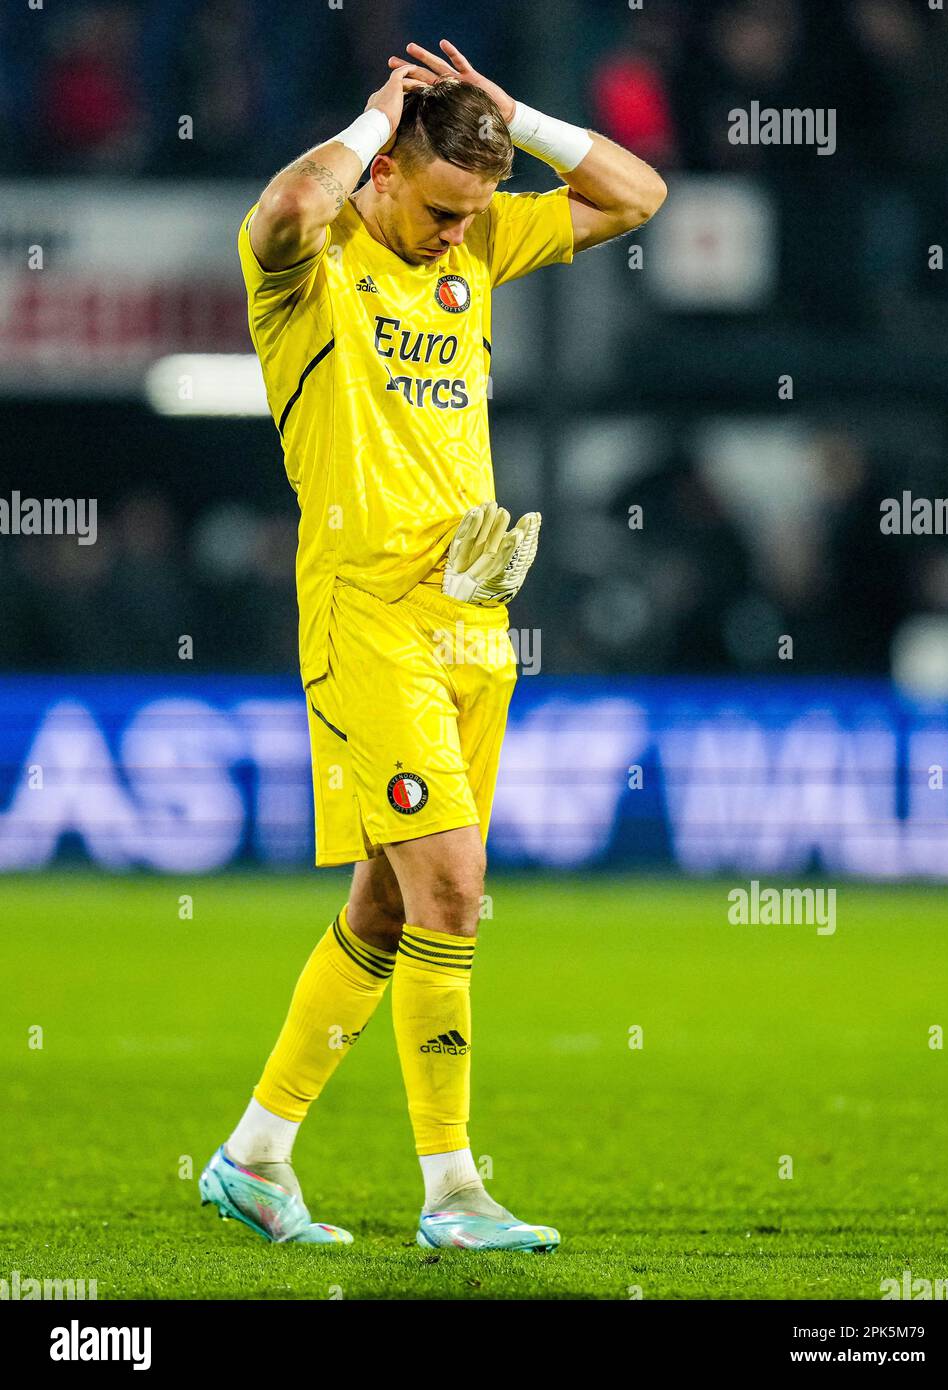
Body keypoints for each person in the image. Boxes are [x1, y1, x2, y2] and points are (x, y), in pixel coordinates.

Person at [199, 37, 666, 1252]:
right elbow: (288, 204)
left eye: (480, 213)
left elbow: (637, 195)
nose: (466, 235)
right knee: (453, 888)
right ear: (389, 175)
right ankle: (453, 1191)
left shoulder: (476, 244)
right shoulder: (311, 267)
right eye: (446, 209)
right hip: (369, 619)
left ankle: (254, 1157)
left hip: (475, 618)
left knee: (386, 909)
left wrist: (521, 117)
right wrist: (369, 119)